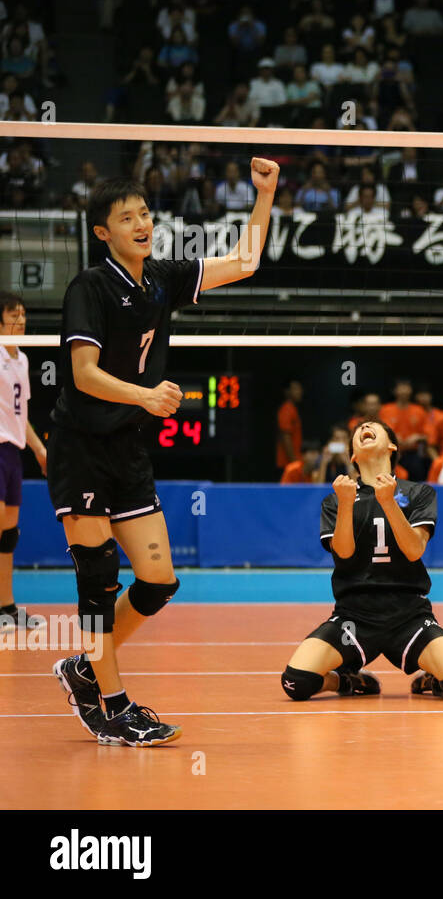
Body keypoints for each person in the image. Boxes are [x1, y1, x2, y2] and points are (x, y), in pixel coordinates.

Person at [50, 159, 279, 745]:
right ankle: (115, 705)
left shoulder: (160, 278)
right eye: (126, 217)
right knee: (99, 579)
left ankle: (83, 667)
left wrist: (266, 193)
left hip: (126, 447)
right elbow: (83, 374)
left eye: (145, 213)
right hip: (81, 448)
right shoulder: (90, 287)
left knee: (157, 581)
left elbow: (246, 262)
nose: (141, 223)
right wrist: (147, 396)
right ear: (102, 231)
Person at [281, 420, 443, 702]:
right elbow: (344, 554)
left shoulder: (418, 493)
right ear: (353, 455)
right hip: (353, 617)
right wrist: (347, 504)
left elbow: (414, 551)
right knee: (294, 683)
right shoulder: (337, 498)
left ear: (391, 446)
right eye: (359, 429)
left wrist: (388, 501)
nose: (365, 427)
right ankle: (345, 681)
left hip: (408, 615)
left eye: (373, 426)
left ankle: (432, 679)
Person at [0, 292, 47, 632]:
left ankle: (7, 608)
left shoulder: (23, 360)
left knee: (8, 533)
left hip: (13, 452)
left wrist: (40, 450)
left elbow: (22, 413)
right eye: (14, 316)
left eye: (23, 315)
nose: (21, 321)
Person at [276, 380, 303, 478]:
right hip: (287, 463)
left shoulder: (292, 408)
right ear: (287, 392)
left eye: (300, 388)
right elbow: (285, 436)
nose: (299, 391)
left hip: (292, 462)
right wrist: (294, 462)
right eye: (295, 389)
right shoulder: (287, 409)